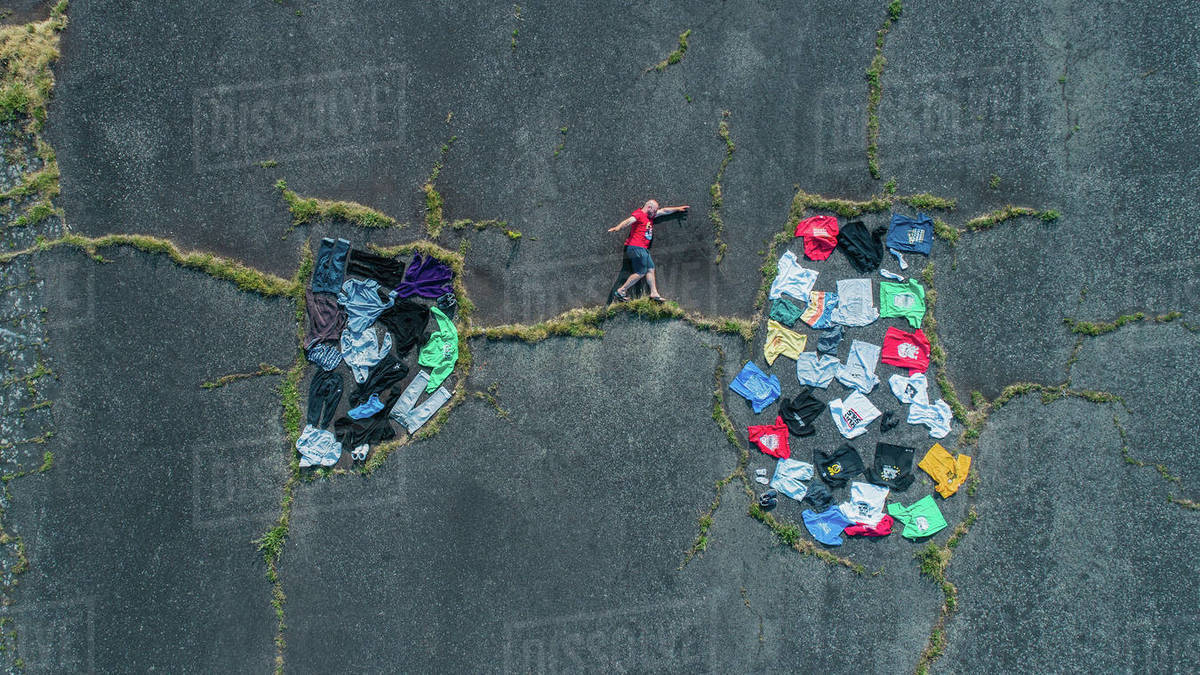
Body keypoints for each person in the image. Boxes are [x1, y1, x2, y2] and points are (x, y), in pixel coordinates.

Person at [607, 199, 689, 302]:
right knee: (641, 272)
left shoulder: (650, 215)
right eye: (654, 210)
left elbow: (664, 211)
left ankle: (654, 293)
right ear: (649, 207)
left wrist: (677, 209)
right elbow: (629, 221)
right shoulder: (639, 214)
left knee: (650, 268)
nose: (655, 213)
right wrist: (618, 227)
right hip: (636, 247)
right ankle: (621, 290)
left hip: (643, 248)